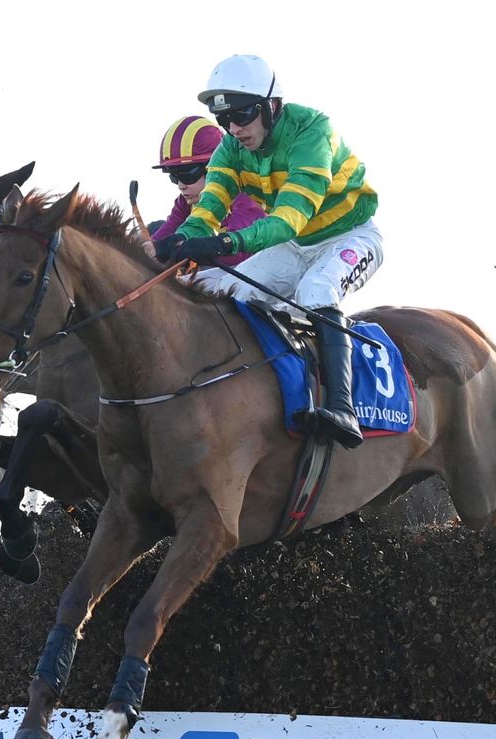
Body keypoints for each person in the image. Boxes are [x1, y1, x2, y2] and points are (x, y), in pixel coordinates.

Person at [154, 55, 382, 449]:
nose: (234, 129)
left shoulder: (313, 131)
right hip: (297, 246)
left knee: (316, 291)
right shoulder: (229, 149)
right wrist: (180, 241)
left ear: (270, 105)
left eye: (242, 116)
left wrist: (225, 242)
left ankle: (343, 408)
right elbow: (207, 210)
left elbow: (289, 218)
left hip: (351, 238)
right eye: (224, 120)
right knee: (229, 291)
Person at [143, 115, 265, 266]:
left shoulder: (245, 198)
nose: (181, 185)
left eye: (187, 175)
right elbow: (161, 240)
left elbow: (240, 254)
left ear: (214, 168)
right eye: (174, 177)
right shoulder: (185, 202)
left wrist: (190, 253)